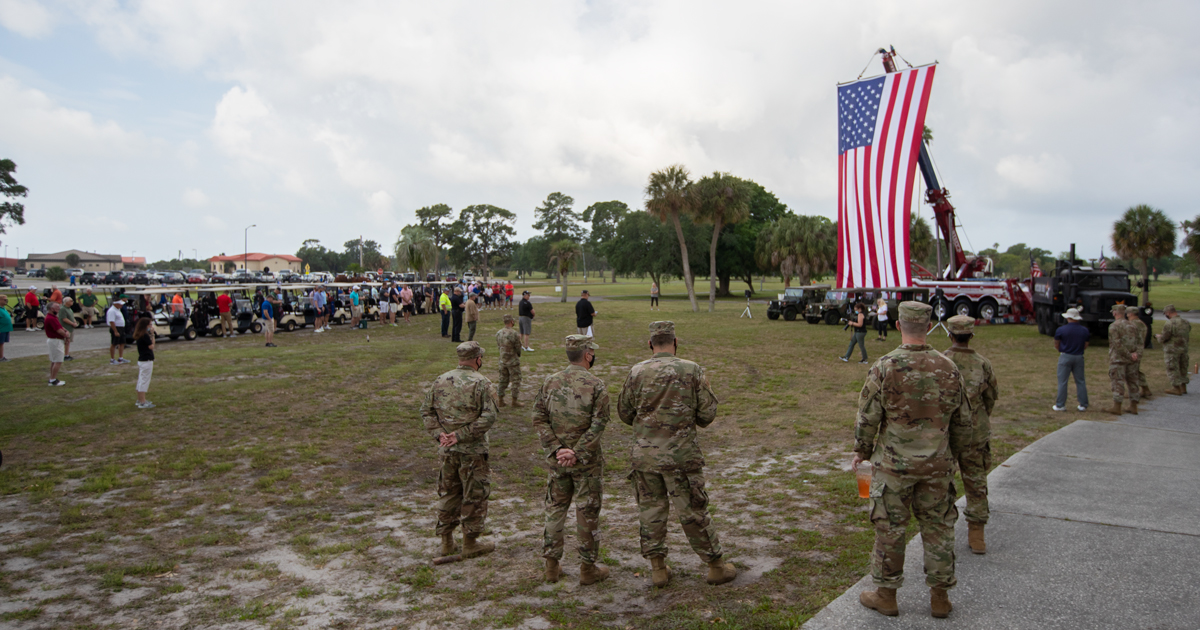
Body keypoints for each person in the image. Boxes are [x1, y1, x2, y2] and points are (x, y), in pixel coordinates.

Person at [853, 301, 969, 619]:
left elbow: (868, 416)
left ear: (898, 325)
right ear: (928, 326)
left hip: (894, 467)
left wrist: (861, 451)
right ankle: (940, 599)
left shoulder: (884, 366)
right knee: (939, 529)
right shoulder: (949, 367)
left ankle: (886, 596)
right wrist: (955, 455)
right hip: (938, 466)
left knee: (890, 528)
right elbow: (963, 421)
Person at [617, 321, 736, 588]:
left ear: (650, 344)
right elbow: (707, 414)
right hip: (681, 456)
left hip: (646, 457)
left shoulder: (636, 372)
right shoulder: (691, 369)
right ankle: (716, 567)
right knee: (693, 510)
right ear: (675, 342)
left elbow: (624, 412)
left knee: (651, 511)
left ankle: (658, 570)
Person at [533, 335, 611, 585]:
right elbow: (599, 423)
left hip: (557, 462)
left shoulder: (549, 382)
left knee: (555, 508)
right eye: (592, 352)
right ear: (587, 355)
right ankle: (588, 569)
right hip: (587, 463)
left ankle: (551, 567)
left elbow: (539, 418)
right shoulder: (596, 385)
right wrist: (576, 452)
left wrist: (557, 449)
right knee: (587, 511)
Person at [419, 341, 500, 560]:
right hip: (473, 451)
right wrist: (461, 435)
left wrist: (440, 434)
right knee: (474, 494)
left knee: (449, 493)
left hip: (447, 450)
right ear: (478, 359)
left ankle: (446, 541)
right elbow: (489, 416)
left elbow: (426, 411)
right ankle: (470, 543)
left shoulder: (441, 380)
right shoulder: (482, 383)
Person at [943, 314, 998, 554]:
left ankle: (942, 532)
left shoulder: (941, 361)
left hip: (946, 435)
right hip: (975, 434)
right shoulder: (983, 363)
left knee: (943, 484)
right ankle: (977, 535)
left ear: (950, 335)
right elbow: (991, 397)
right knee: (976, 483)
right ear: (971, 335)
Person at [1052, 308, 1090, 411]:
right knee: (1080, 381)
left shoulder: (1061, 329)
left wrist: (1061, 350)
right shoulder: (1084, 330)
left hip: (1065, 355)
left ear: (1068, 317)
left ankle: (1060, 404)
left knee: (1063, 381)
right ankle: (1083, 404)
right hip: (1079, 356)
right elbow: (1086, 344)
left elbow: (1056, 344)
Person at [1105, 304, 1139, 415]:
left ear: (1115, 313)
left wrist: (1128, 355)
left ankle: (1117, 406)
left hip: (1118, 358)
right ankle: (1133, 405)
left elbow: (1117, 344)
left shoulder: (1114, 326)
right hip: (1132, 358)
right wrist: (1135, 354)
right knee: (1133, 381)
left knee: (1117, 381)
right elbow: (1139, 341)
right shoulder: (1133, 325)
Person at [1157, 304, 1192, 395]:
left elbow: (1164, 337)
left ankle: (1176, 388)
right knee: (1183, 367)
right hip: (1183, 349)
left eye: (1165, 314)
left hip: (1172, 350)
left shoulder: (1170, 323)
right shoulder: (1185, 322)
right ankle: (1183, 387)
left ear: (1168, 312)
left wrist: (1158, 337)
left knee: (1172, 368)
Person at [495, 314, 523, 407]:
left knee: (502, 380)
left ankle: (500, 400)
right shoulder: (514, 334)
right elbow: (518, 347)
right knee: (516, 380)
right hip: (512, 361)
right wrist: (518, 354)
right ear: (511, 321)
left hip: (502, 360)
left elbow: (499, 346)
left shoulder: (499, 333)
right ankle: (514, 401)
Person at [1126, 309, 1152, 400]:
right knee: (1135, 370)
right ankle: (1145, 389)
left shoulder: (1132, 324)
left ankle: (1134, 392)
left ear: (1130, 314)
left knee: (1131, 371)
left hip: (1132, 350)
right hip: (1139, 349)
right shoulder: (1142, 324)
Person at [132, 317, 156, 409]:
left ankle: (140, 399)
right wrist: (152, 335)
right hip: (146, 360)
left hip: (142, 360)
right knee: (144, 381)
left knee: (141, 380)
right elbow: (151, 346)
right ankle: (142, 401)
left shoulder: (140, 334)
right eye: (150, 324)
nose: (151, 326)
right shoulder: (144, 335)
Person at [44, 302, 70, 386]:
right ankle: (53, 380)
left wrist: (65, 331)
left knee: (54, 360)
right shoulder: (51, 318)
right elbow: (59, 330)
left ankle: (52, 378)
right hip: (55, 341)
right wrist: (66, 335)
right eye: (57, 307)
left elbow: (60, 327)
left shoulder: (53, 317)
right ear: (52, 309)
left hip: (55, 340)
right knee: (58, 361)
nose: (59, 308)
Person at [107, 298, 130, 365]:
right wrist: (115, 331)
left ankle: (120, 358)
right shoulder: (112, 311)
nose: (121, 305)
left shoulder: (118, 310)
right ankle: (112, 359)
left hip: (121, 328)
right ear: (116, 304)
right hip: (116, 328)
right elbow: (111, 321)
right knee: (114, 343)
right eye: (120, 304)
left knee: (122, 343)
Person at [59, 297, 78, 361]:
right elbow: (64, 319)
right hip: (65, 328)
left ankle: (67, 354)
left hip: (70, 328)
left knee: (68, 342)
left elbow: (72, 317)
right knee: (65, 342)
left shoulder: (69, 309)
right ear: (66, 302)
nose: (72, 302)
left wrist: (75, 322)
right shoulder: (63, 309)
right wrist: (72, 323)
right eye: (71, 301)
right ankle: (63, 355)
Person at [0, 294, 12, 361]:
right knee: (0, 343)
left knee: (2, 343)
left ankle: (1, 356)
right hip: (1, 329)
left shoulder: (3, 308)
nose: (6, 301)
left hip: (5, 329)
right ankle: (1, 357)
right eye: (4, 300)